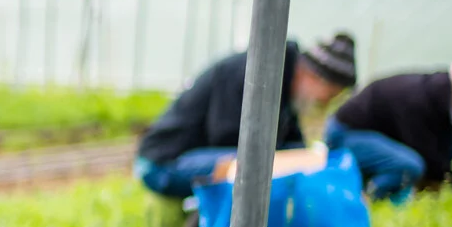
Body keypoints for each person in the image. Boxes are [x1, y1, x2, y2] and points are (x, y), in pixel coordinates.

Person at [134, 31, 358, 199]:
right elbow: (226, 136)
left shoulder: (285, 83)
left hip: (204, 156)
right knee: (257, 165)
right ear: (312, 76)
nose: (325, 103)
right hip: (164, 163)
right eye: (328, 95)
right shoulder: (252, 73)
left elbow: (292, 142)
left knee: (291, 158)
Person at [323, 59, 452, 202]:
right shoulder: (417, 100)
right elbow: (425, 154)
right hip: (346, 134)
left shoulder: (446, 99)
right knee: (409, 165)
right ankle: (363, 197)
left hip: (379, 135)